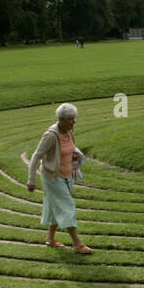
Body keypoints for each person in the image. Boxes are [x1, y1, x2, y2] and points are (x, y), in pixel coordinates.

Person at [26, 103, 92, 253]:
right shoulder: (50, 135)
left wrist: (73, 155)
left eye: (74, 119)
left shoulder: (69, 131)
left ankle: (50, 238)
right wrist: (31, 180)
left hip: (68, 176)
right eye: (71, 119)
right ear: (61, 119)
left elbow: (68, 148)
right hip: (52, 177)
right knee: (67, 207)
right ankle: (77, 243)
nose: (74, 122)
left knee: (54, 206)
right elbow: (36, 156)